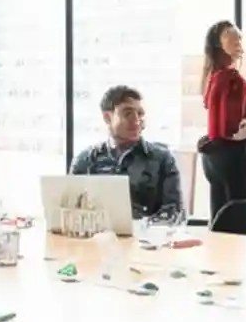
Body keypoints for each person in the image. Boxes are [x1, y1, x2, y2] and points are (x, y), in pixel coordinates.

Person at [71, 85, 183, 222]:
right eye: (128, 113)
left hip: (146, 239)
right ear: (107, 117)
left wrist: (143, 229)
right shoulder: (86, 160)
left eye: (140, 114)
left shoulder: (162, 159)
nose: (136, 120)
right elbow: (72, 211)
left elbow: (174, 212)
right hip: (97, 238)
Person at [197, 20, 246, 222]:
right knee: (240, 221)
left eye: (239, 39)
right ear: (221, 44)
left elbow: (218, 117)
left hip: (213, 155)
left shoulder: (213, 77)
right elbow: (230, 125)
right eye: (233, 39)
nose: (239, 45)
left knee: (220, 219)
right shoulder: (230, 78)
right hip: (232, 154)